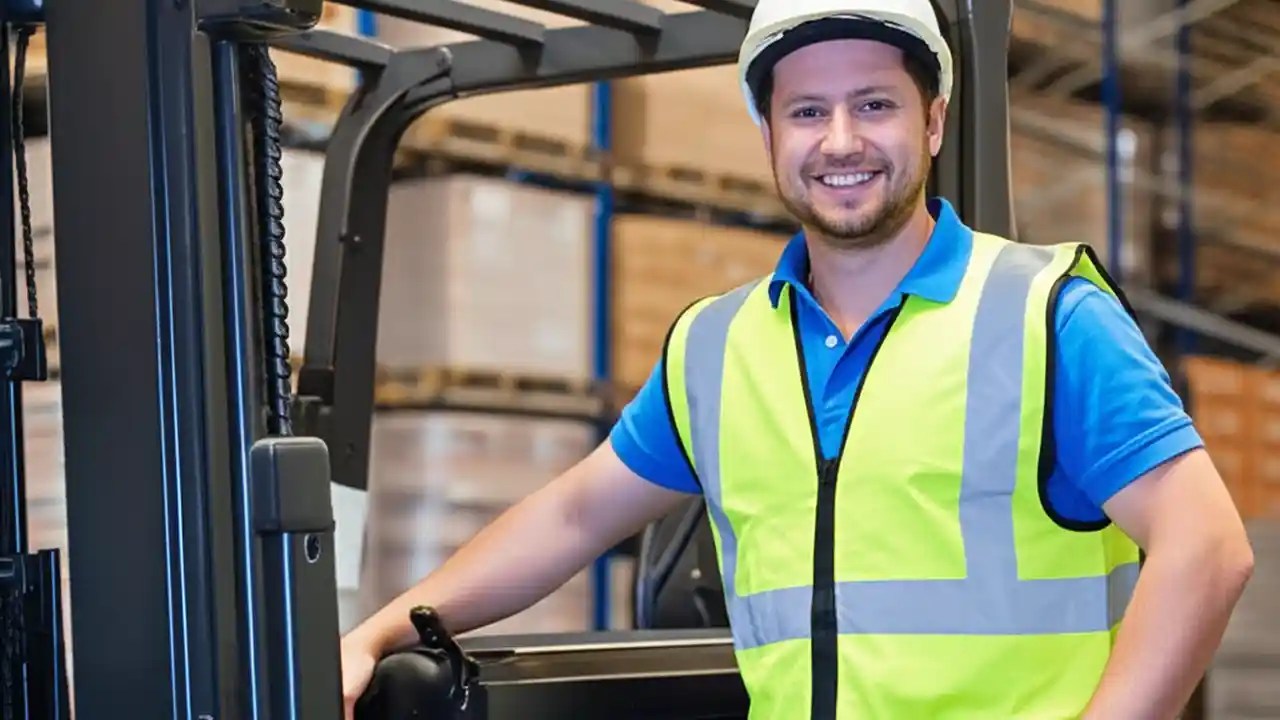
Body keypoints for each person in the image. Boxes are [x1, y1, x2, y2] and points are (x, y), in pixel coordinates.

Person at [340, 0, 1255, 717]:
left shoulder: (1045, 315)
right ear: (770, 138)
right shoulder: (718, 345)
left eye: (875, 106)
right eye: (807, 111)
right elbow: (575, 515)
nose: (842, 141)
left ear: (933, 123)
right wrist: (381, 629)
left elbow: (1206, 548)